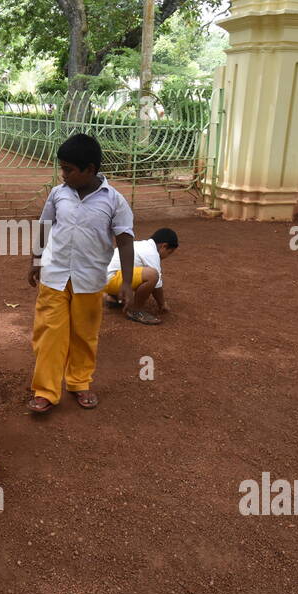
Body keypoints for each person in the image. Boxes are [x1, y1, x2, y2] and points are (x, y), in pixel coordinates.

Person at [27, 132, 134, 413]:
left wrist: (127, 282)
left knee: (85, 335)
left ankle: (79, 382)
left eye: (68, 169)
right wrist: (36, 260)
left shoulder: (114, 201)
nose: (63, 175)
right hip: (54, 274)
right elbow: (44, 226)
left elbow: (125, 240)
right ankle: (46, 391)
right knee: (49, 334)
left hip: (90, 279)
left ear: (90, 169)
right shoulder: (58, 194)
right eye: (62, 167)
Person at [105, 227, 179, 325]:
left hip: (101, 279)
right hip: (110, 280)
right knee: (152, 275)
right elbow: (157, 284)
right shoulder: (152, 253)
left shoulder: (141, 245)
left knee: (137, 272)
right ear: (164, 246)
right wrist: (162, 304)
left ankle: (114, 298)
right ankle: (136, 310)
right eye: (169, 252)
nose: (167, 256)